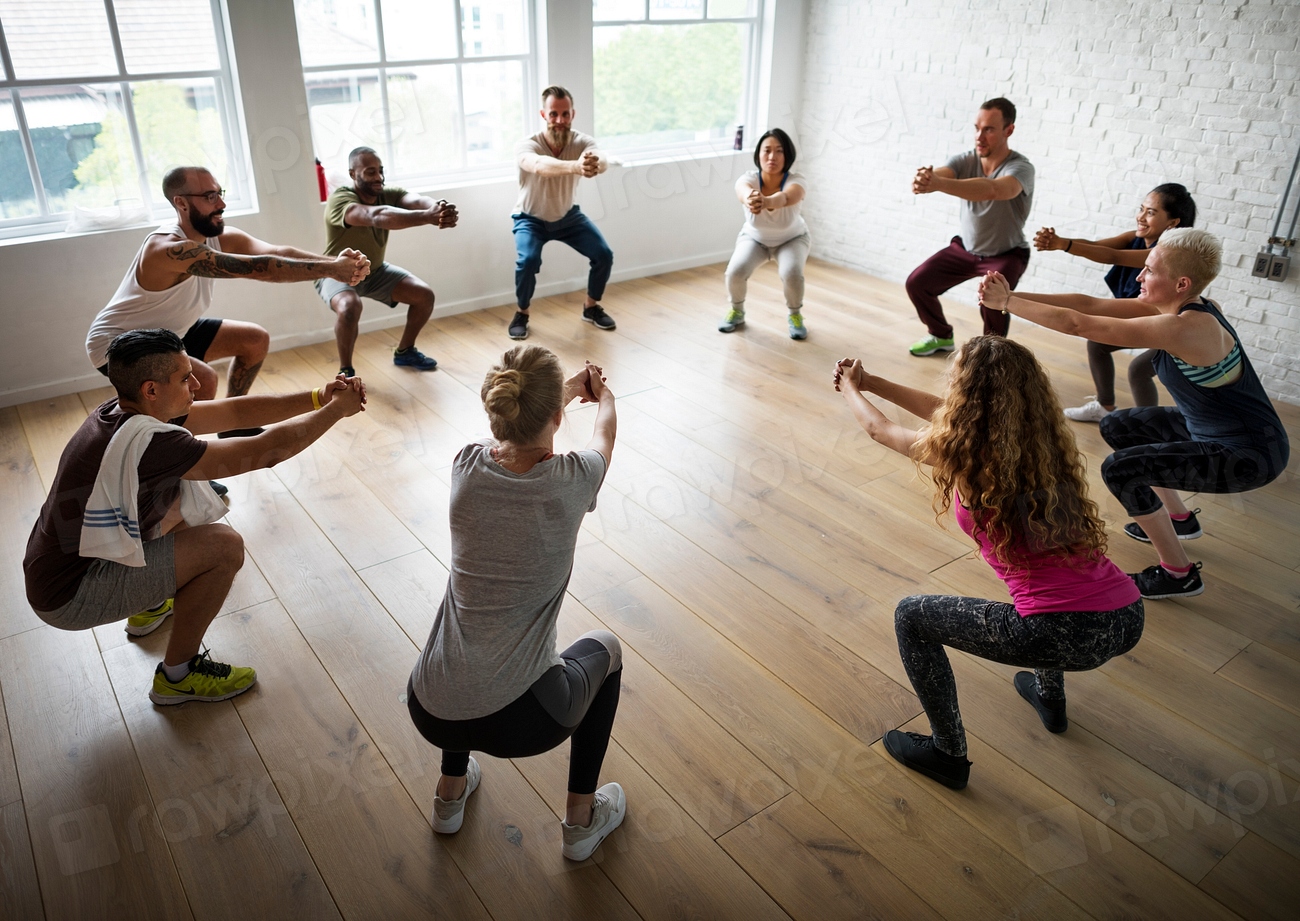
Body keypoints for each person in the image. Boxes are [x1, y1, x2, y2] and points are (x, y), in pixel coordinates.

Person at [833, 336, 1143, 789]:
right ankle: (1048, 699)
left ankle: (947, 754)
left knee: (911, 616)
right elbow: (946, 413)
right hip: (1128, 614)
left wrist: (851, 390)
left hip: (1062, 634)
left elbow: (881, 431)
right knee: (1039, 590)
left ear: (968, 394)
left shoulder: (967, 454)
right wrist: (874, 381)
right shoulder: (1043, 444)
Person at [24, 329, 368, 704]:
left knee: (182, 497)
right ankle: (178, 676)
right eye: (184, 377)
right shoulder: (154, 443)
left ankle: (148, 606)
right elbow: (268, 451)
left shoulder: (121, 412)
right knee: (223, 546)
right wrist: (337, 411)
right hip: (71, 595)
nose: (197, 385)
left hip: (52, 569)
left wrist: (319, 397)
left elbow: (234, 411)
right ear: (151, 389)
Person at [980, 228, 1290, 600]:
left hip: (1248, 453)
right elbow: (1089, 305)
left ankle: (1179, 574)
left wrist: (1007, 303)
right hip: (1207, 427)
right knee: (1119, 426)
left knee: (1120, 470)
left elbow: (1080, 325)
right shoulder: (1183, 307)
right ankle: (1179, 519)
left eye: (1149, 270)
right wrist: (1011, 295)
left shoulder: (1185, 328)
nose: (1140, 276)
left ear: (1181, 283)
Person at [407, 345, 625, 860]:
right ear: (555, 416)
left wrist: (563, 391)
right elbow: (605, 436)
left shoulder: (466, 464)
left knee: (468, 652)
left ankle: (449, 797)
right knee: (609, 650)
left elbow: (511, 432)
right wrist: (601, 393)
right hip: (527, 723)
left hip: (431, 704)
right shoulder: (573, 479)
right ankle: (580, 823)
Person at [87, 166, 371, 406]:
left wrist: (336, 262)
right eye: (209, 196)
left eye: (219, 193)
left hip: (171, 332)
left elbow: (276, 252)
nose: (221, 204)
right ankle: (182, 456)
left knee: (254, 340)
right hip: (118, 342)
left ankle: (233, 419)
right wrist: (334, 270)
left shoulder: (218, 236)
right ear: (181, 203)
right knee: (203, 381)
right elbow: (262, 269)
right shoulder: (166, 249)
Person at [1034, 183, 1197, 421]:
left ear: (1172, 222)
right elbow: (1097, 246)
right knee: (1099, 345)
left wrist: (1064, 245)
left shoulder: (1170, 252)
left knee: (1138, 370)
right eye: (1141, 209)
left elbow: (1114, 257)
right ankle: (1106, 407)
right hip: (1148, 317)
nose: (1141, 217)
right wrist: (1060, 240)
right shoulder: (1135, 238)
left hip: (1175, 327)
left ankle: (1152, 429)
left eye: (1151, 212)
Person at [905, 97, 1035, 356]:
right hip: (965, 250)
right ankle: (940, 335)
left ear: (1009, 130)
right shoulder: (965, 160)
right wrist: (927, 178)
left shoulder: (1021, 168)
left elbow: (994, 190)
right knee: (917, 283)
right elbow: (942, 173)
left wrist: (938, 185)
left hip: (1006, 255)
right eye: (977, 128)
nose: (979, 136)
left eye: (989, 129)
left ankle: (993, 358)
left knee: (992, 300)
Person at [318, 147, 459, 376]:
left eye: (381, 171)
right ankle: (346, 370)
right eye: (370, 172)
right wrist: (427, 217)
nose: (379, 178)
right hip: (337, 272)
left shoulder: (386, 192)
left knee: (424, 296)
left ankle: (405, 352)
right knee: (350, 307)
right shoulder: (340, 199)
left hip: (374, 272)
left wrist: (438, 208)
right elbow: (375, 216)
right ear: (353, 174)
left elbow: (416, 200)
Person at [509, 86, 616, 341]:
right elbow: (538, 165)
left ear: (572, 114)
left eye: (565, 114)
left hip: (568, 217)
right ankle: (522, 312)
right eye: (554, 114)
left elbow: (601, 158)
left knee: (603, 255)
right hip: (530, 218)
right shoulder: (528, 144)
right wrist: (576, 166)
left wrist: (595, 165)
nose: (559, 120)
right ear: (543, 114)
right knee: (528, 262)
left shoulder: (582, 141)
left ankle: (590, 308)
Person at [718, 128, 811, 340]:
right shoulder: (748, 179)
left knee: (792, 274)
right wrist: (751, 197)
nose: (772, 156)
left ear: (787, 155)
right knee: (735, 272)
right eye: (766, 150)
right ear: (758, 154)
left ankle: (795, 315)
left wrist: (767, 201)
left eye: (779, 151)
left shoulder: (797, 181)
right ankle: (737, 311)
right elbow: (742, 191)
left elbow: (787, 198)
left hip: (792, 239)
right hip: (754, 238)